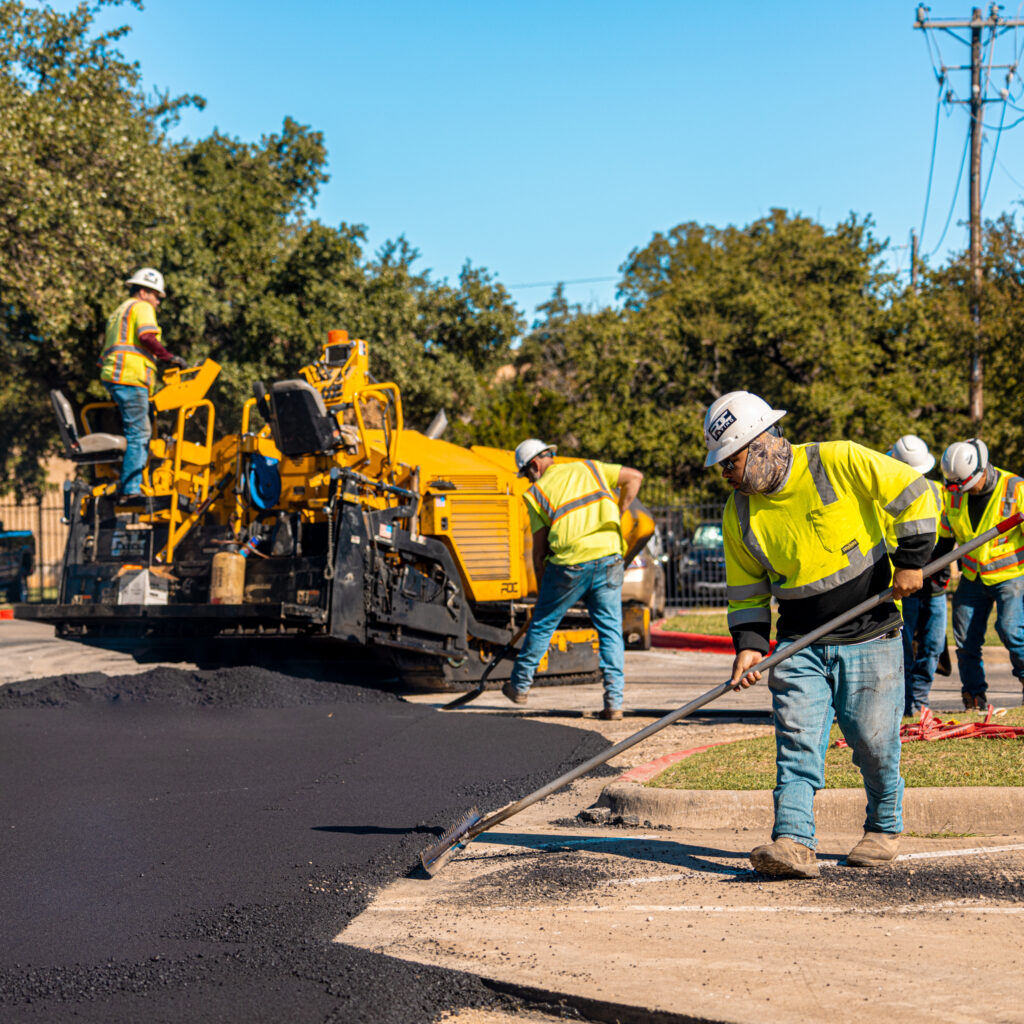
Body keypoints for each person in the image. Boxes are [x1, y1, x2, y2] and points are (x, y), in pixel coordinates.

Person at [705, 391, 937, 879]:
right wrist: (749, 647)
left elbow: (916, 492)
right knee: (797, 743)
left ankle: (883, 825)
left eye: (731, 459)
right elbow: (746, 592)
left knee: (873, 743)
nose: (724, 472)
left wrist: (913, 561)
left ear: (763, 442)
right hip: (797, 645)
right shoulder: (739, 512)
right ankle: (792, 841)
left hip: (870, 634)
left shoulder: (838, 460)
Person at [502, 438, 643, 719]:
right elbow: (635, 477)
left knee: (543, 624)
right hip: (609, 557)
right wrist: (619, 510)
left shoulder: (537, 492)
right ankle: (614, 702)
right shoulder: (589, 468)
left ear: (534, 466)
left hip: (569, 565)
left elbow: (539, 549)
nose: (529, 478)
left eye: (527, 473)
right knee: (611, 630)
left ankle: (519, 686)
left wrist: (543, 591)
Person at [937, 439, 1024, 709]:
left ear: (982, 470)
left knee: (1011, 632)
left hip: (1011, 575)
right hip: (972, 578)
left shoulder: (1017, 488)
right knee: (964, 640)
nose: (963, 491)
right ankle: (974, 698)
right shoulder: (953, 491)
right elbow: (944, 537)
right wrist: (936, 569)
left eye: (966, 485)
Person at [97, 267, 187, 496]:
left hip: (115, 376)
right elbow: (147, 336)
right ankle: (131, 488)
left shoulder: (119, 311)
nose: (158, 302)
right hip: (130, 377)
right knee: (140, 434)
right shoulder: (142, 307)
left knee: (134, 431)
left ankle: (126, 481)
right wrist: (169, 357)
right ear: (144, 292)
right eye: (157, 296)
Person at [887, 435, 950, 717]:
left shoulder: (938, 491)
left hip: (934, 583)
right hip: (900, 584)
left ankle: (920, 701)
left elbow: (950, 530)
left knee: (933, 645)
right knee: (903, 649)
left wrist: (942, 566)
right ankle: (906, 703)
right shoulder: (881, 494)